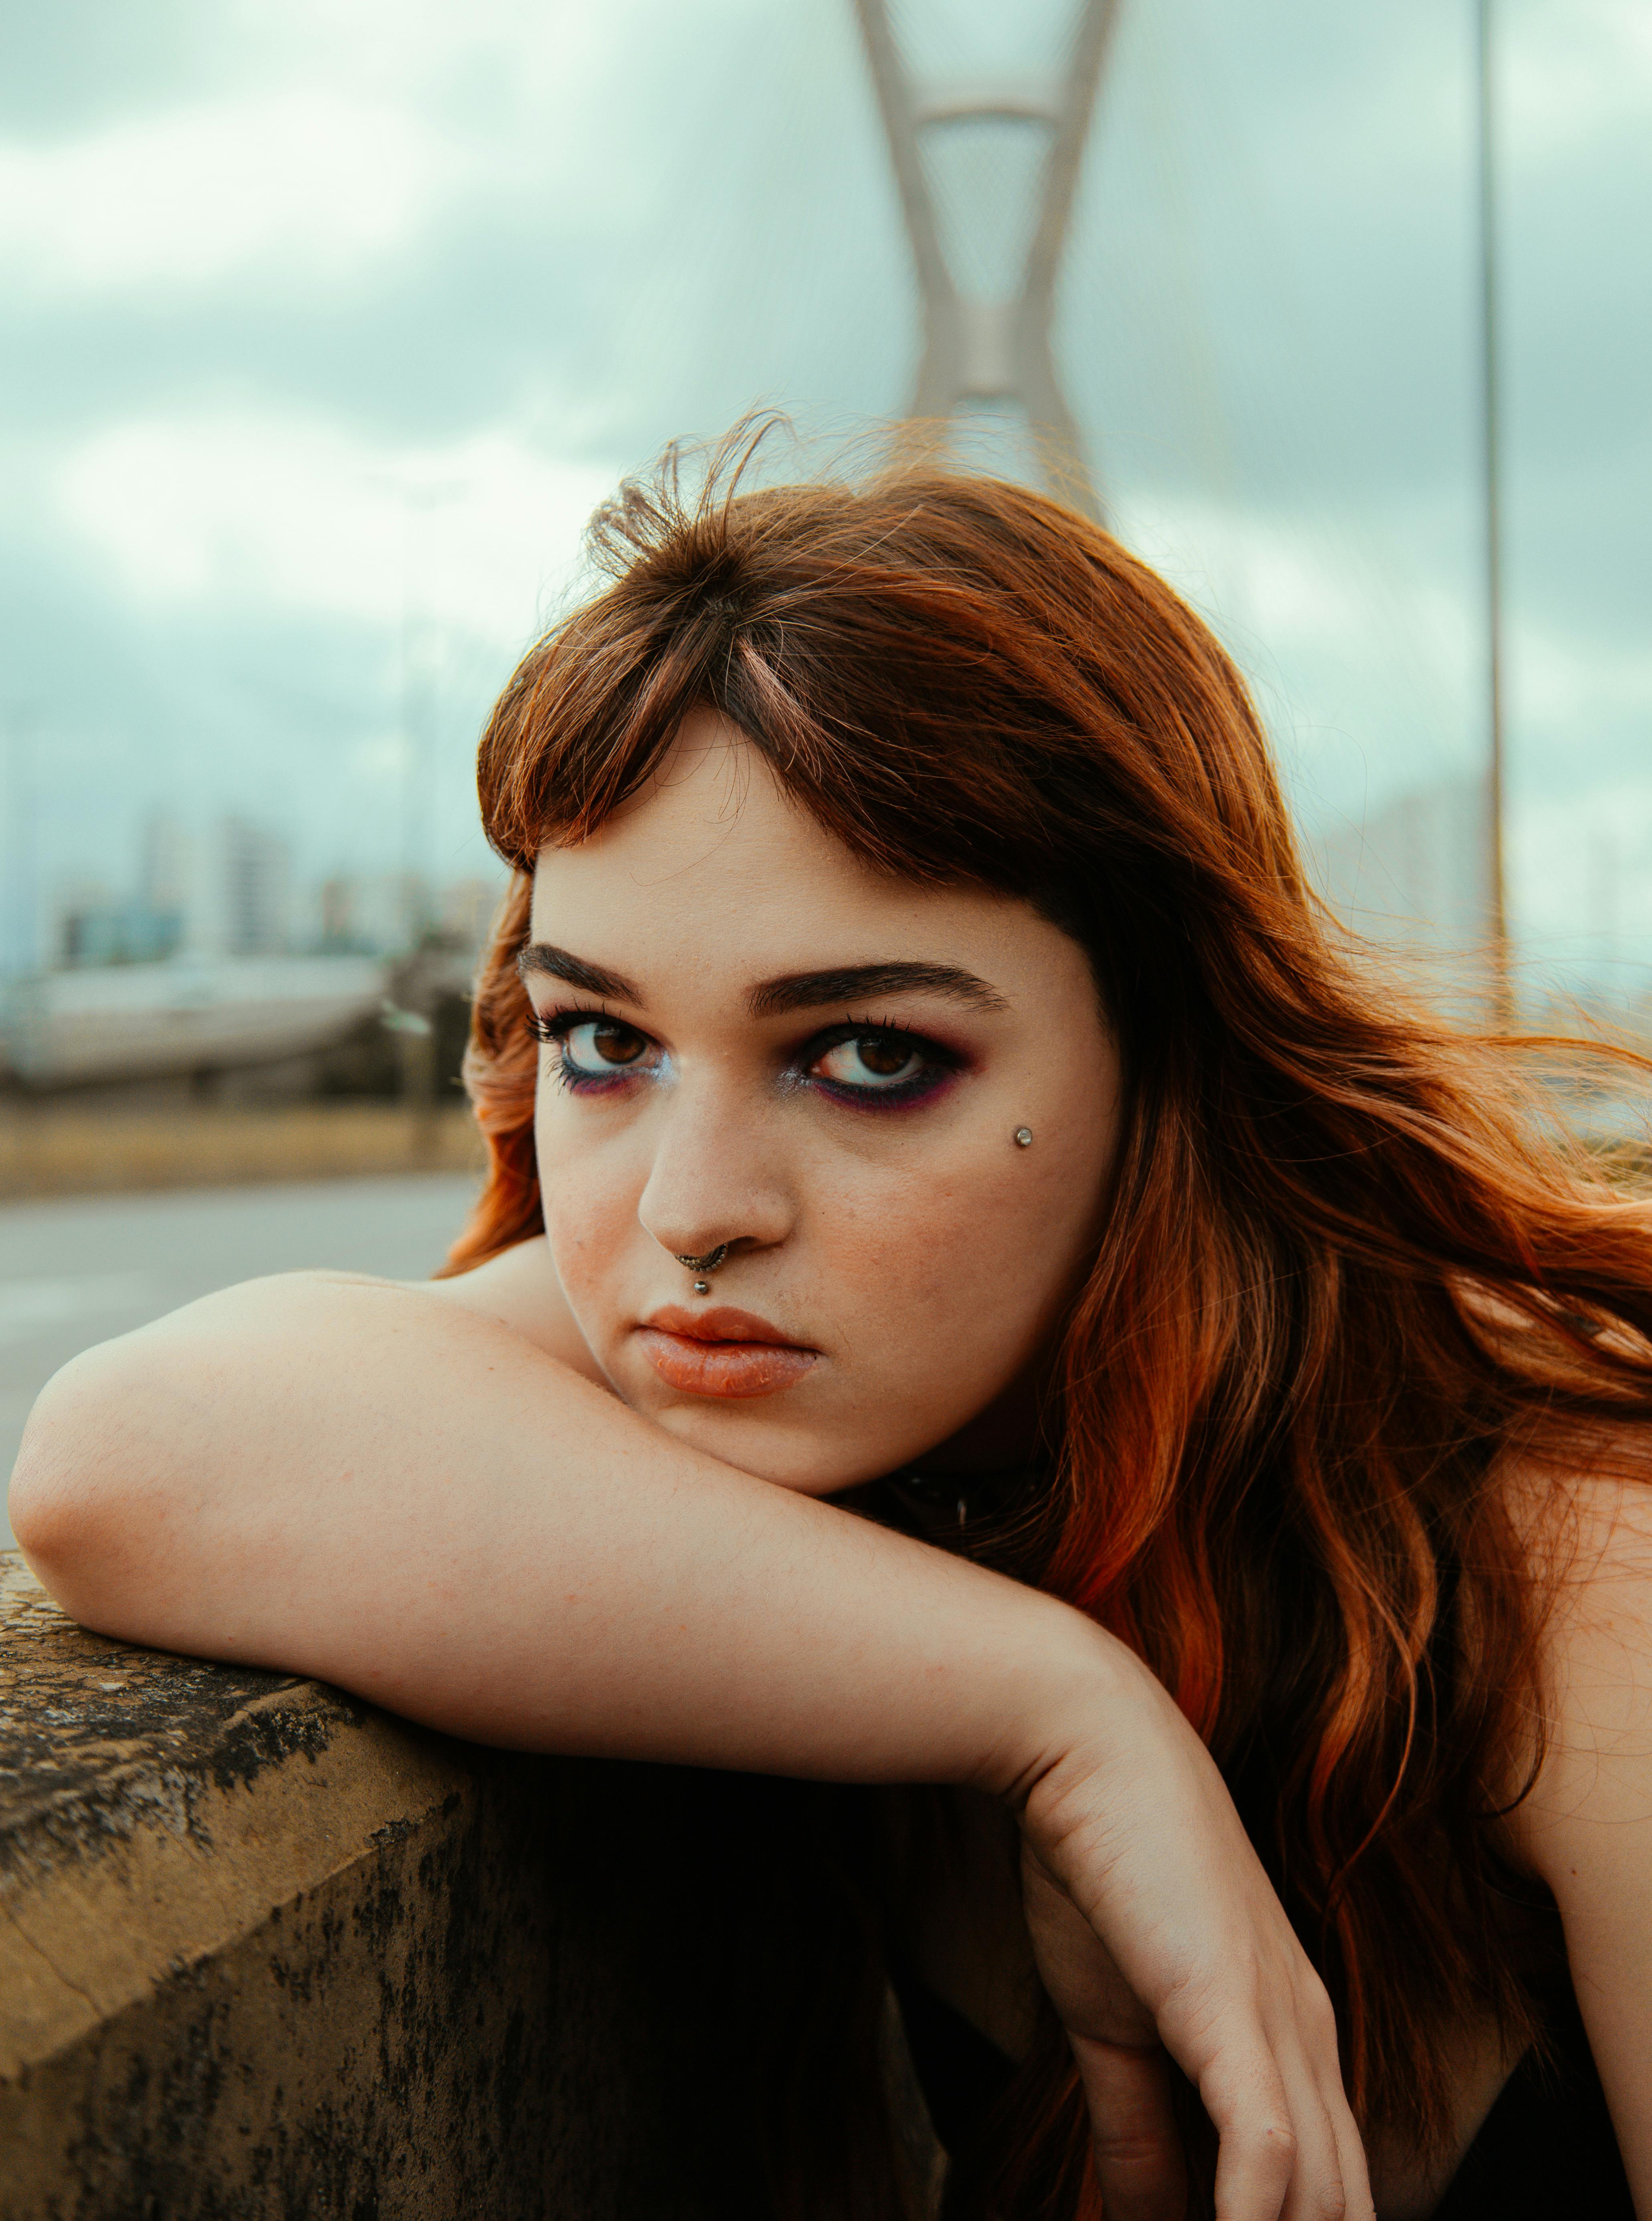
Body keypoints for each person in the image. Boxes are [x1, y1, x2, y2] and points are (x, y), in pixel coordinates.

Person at [11, 438, 1650, 2221]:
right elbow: (129, 1454)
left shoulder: (1577, 1553)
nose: (689, 1205)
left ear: (1162, 1070)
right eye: (604, 1044)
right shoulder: (767, 1382)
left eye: (870, 1057)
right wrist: (1062, 1705)